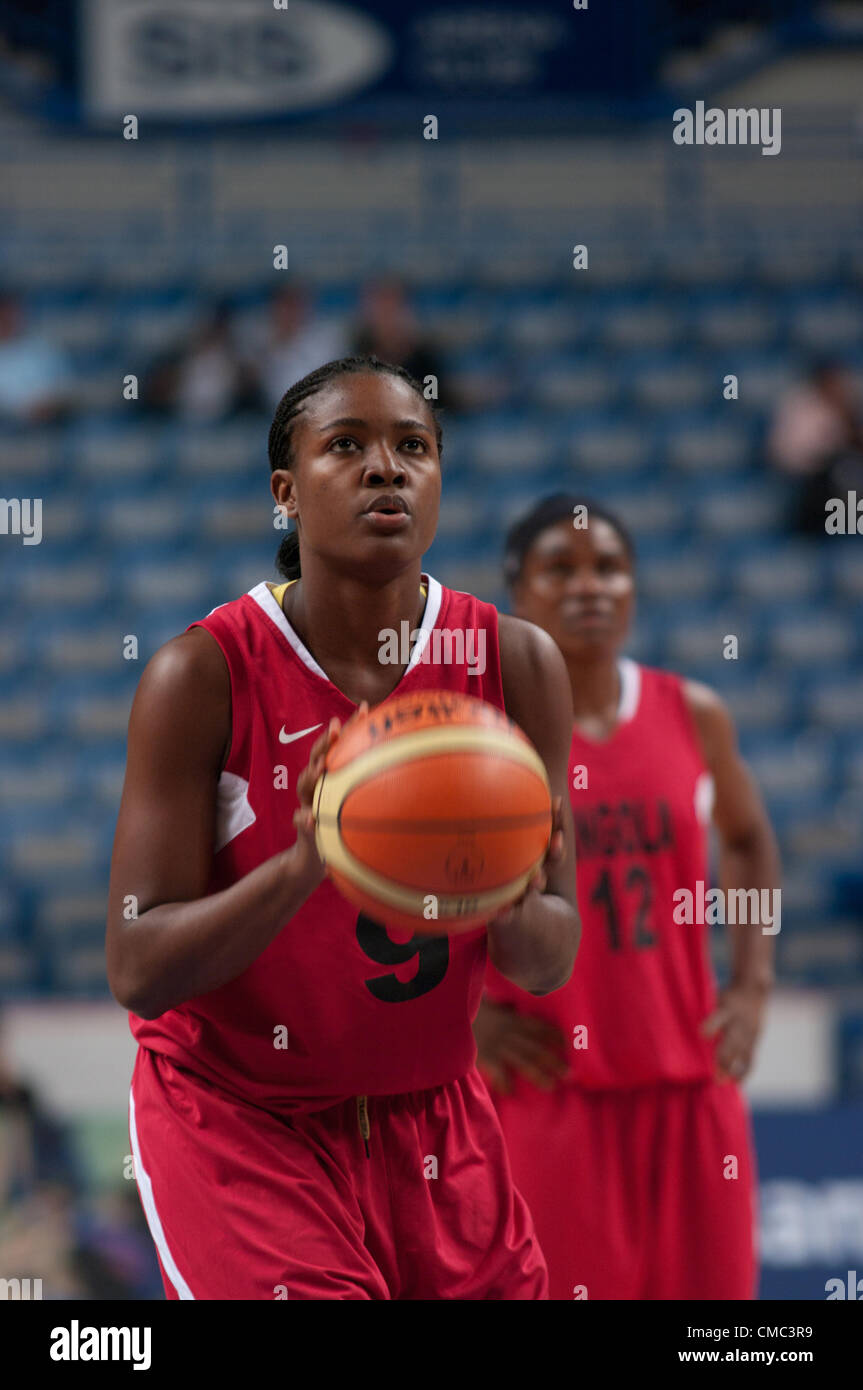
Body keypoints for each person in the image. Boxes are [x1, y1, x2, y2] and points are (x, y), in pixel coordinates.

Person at [105, 355, 580, 1301]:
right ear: (286, 491)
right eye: (347, 446)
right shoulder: (201, 675)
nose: (385, 468)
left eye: (413, 447)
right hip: (243, 1124)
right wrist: (303, 865)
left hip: (436, 1124)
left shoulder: (514, 661)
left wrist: (509, 895)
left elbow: (546, 957)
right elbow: (136, 965)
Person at [474, 494, 780, 1300]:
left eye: (609, 568)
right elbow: (398, 895)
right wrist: (460, 1017)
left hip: (689, 1083)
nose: (589, 588)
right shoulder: (482, 734)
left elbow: (747, 841)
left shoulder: (692, 713)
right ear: (517, 593)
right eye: (560, 570)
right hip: (548, 1091)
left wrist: (750, 985)